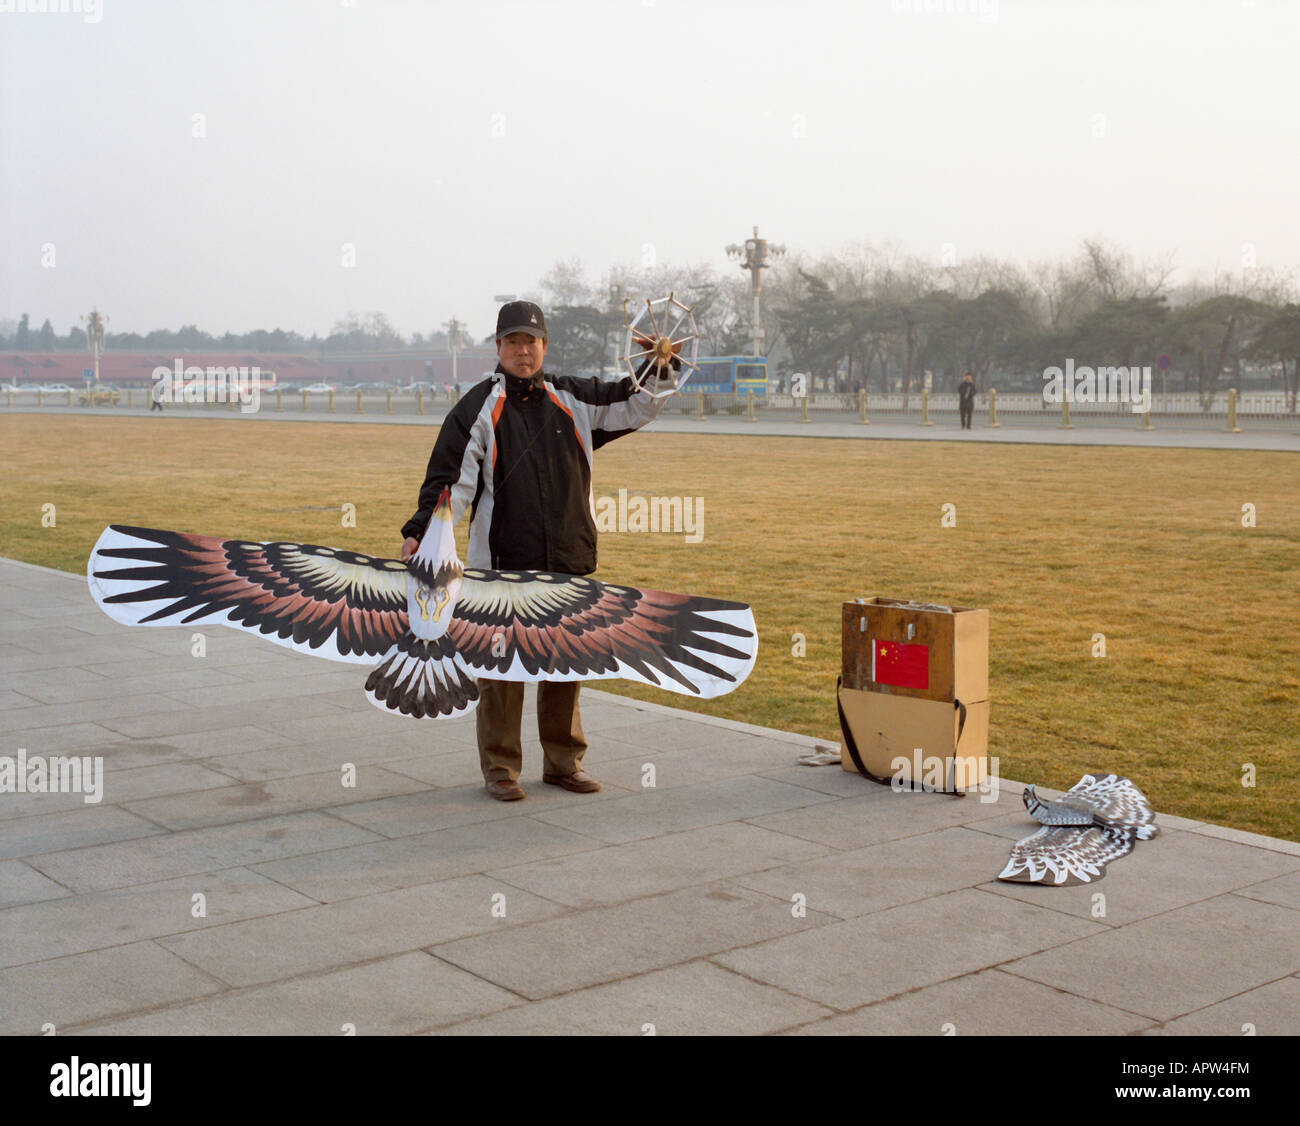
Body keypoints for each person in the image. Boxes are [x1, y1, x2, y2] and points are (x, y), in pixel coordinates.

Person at [399, 300, 673, 802]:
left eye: (532, 342)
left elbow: (638, 404)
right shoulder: (477, 407)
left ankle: (563, 762)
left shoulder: (575, 397)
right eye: (513, 342)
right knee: (500, 670)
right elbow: (450, 482)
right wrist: (423, 530)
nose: (523, 351)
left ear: (544, 346)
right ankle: (501, 768)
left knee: (565, 663)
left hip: (569, 561)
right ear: (498, 347)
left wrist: (659, 364)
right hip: (501, 567)